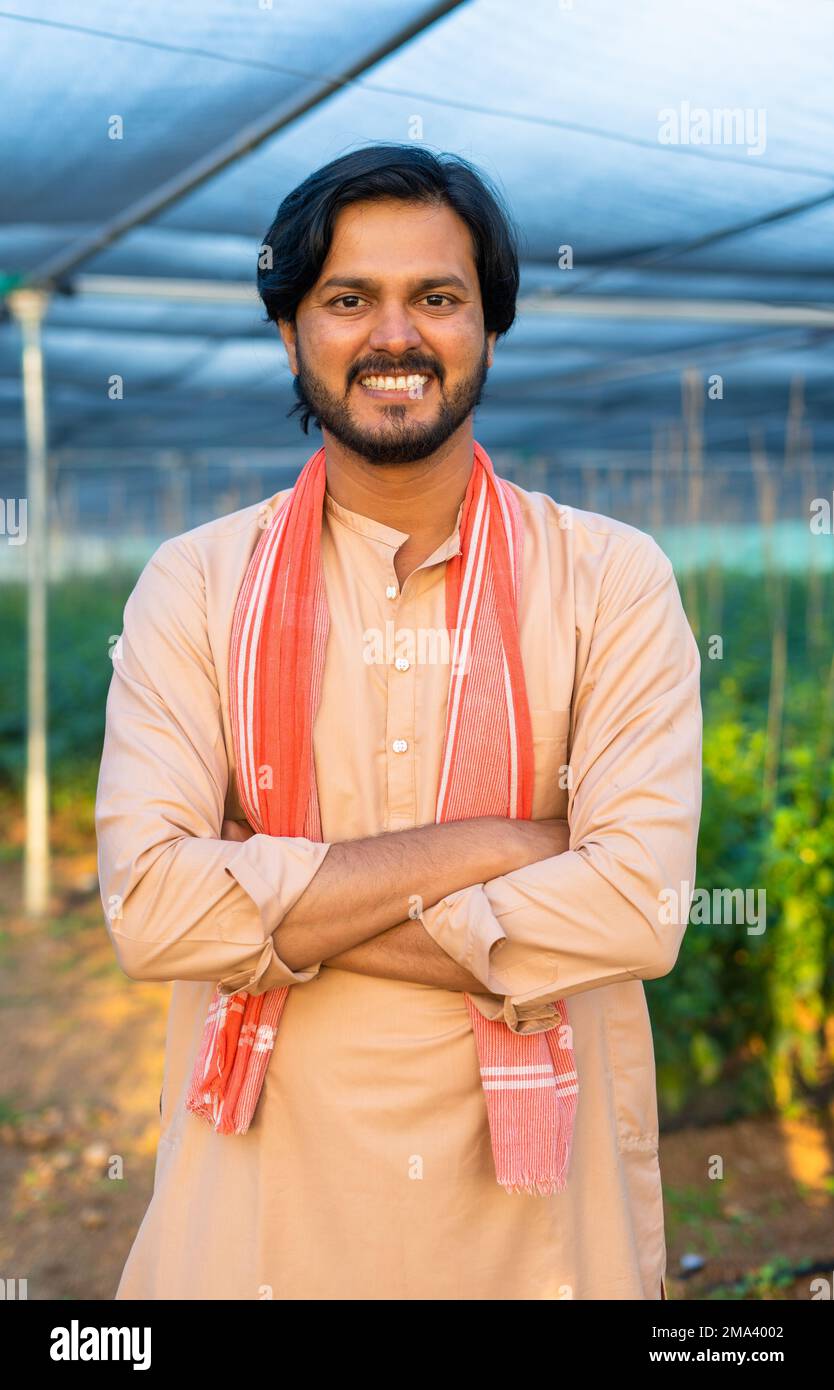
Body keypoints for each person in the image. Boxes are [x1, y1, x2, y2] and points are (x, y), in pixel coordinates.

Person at [95, 143, 702, 1300]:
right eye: (347, 298)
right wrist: (506, 848)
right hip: (263, 1198)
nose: (395, 336)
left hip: (534, 1227)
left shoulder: (612, 580)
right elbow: (152, 912)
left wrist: (273, 908)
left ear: (489, 324)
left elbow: (638, 909)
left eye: (437, 297)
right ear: (290, 330)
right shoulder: (199, 584)